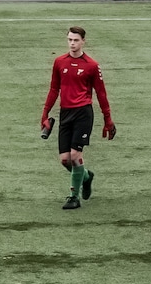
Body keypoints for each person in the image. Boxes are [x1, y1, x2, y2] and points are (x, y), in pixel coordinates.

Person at [41, 26, 115, 211]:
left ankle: (74, 197)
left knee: (75, 155)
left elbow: (101, 93)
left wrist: (108, 120)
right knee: (65, 160)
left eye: (75, 40)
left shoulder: (91, 65)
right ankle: (86, 177)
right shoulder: (59, 62)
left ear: (83, 41)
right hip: (65, 113)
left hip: (83, 113)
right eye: (70, 40)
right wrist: (45, 113)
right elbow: (53, 89)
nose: (72, 43)